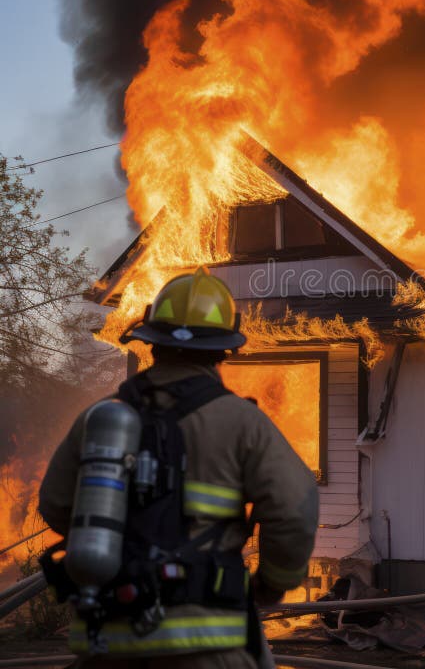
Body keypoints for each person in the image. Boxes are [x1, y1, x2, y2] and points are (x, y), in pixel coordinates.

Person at [38, 267, 319, 668]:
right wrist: (271, 585)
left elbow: (55, 504)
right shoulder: (243, 422)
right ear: (223, 350)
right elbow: (295, 509)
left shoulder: (100, 419)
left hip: (109, 642)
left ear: (152, 342)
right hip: (208, 643)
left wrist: (116, 539)